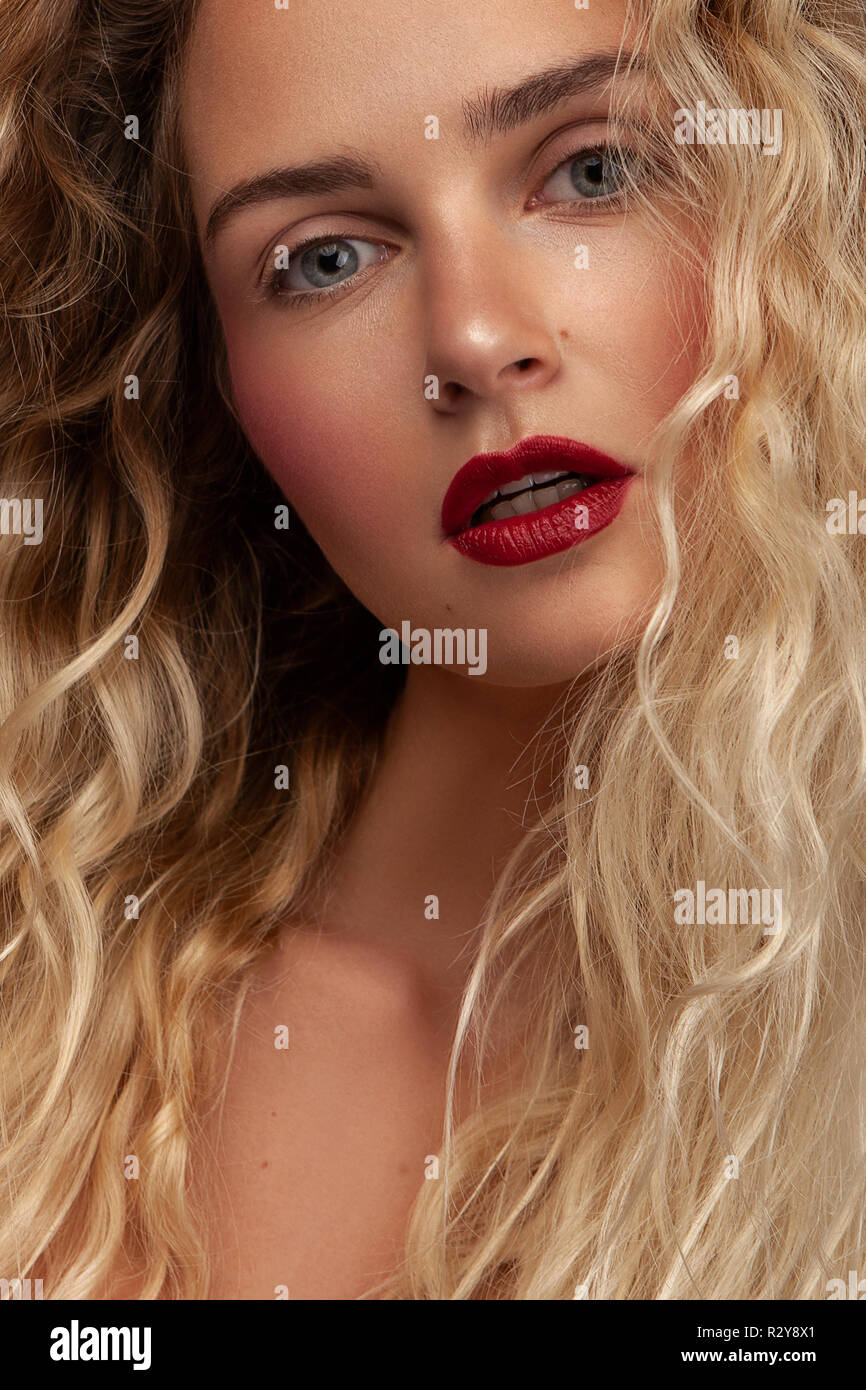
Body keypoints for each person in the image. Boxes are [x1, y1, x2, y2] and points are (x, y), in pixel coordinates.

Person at [0, 0, 864, 1300]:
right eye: (325, 258)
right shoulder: (42, 1020)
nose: (470, 337)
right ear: (220, 393)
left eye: (592, 170)